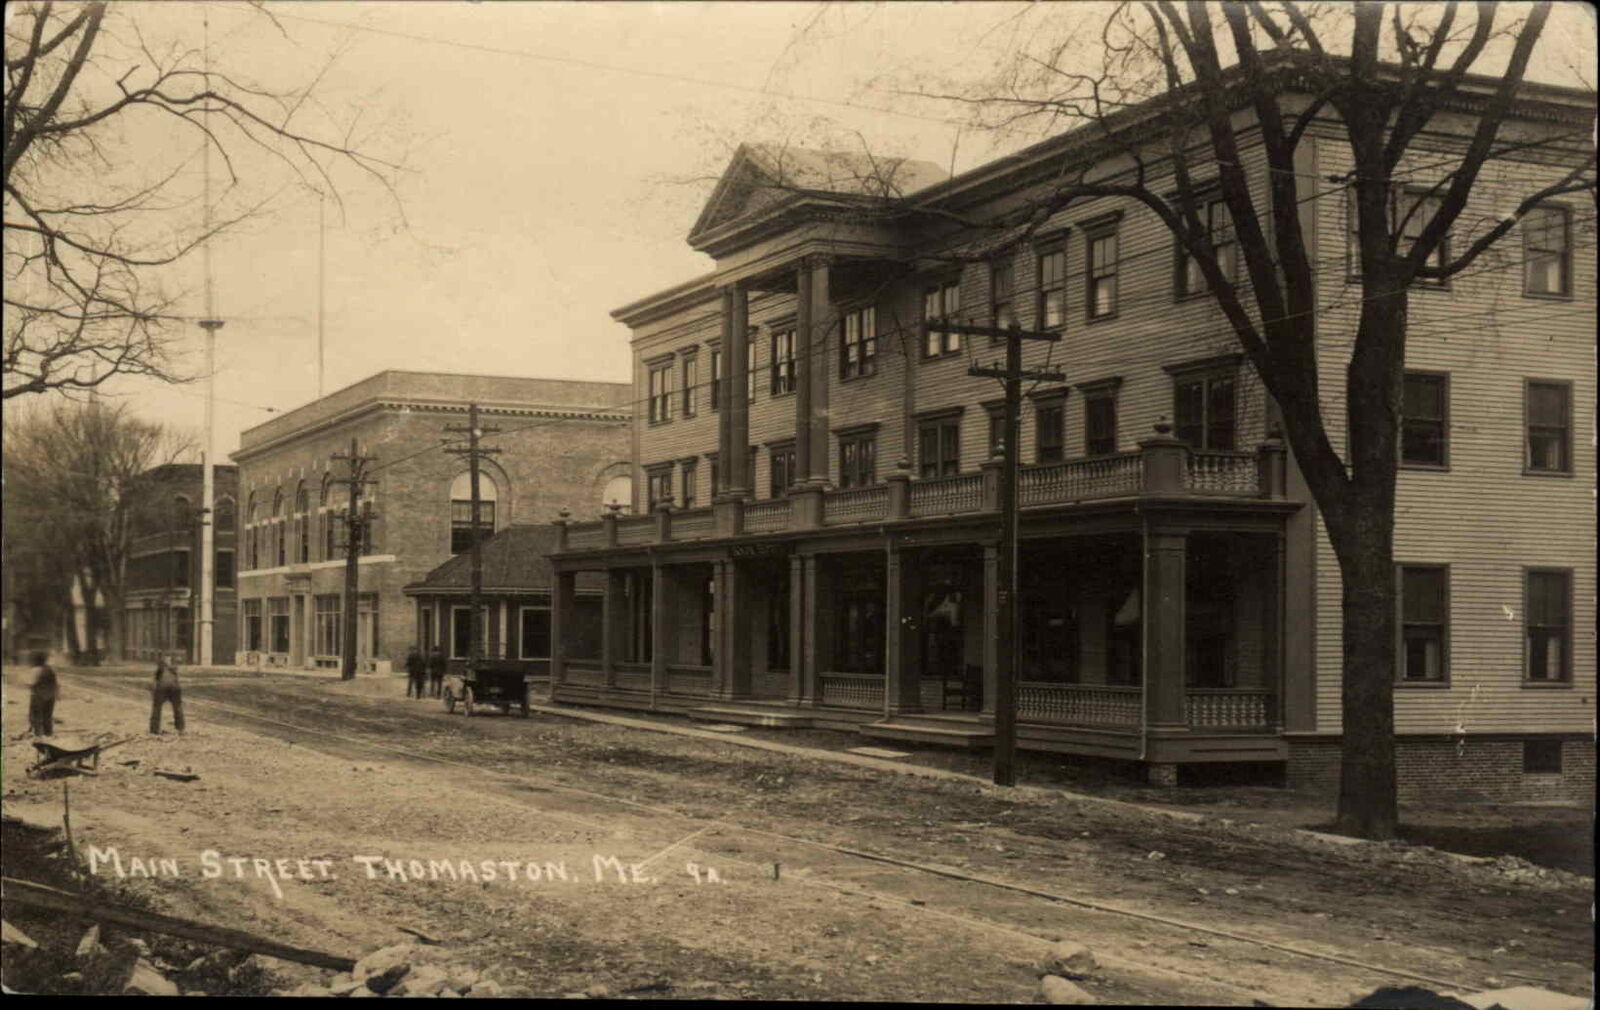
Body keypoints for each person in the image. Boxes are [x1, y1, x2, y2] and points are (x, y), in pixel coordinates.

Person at [150, 655, 186, 735]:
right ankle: (180, 728)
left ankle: (154, 729)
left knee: (156, 708)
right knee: (177, 707)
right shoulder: (174, 668)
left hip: (162, 687)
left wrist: (153, 690)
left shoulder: (160, 669)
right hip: (174, 687)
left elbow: (155, 680)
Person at [28, 651, 57, 737]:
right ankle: (48, 733)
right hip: (50, 696)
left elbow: (32, 683)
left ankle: (37, 734)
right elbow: (55, 683)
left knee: (36, 716)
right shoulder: (50, 669)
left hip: (38, 696)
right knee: (47, 716)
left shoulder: (35, 670)